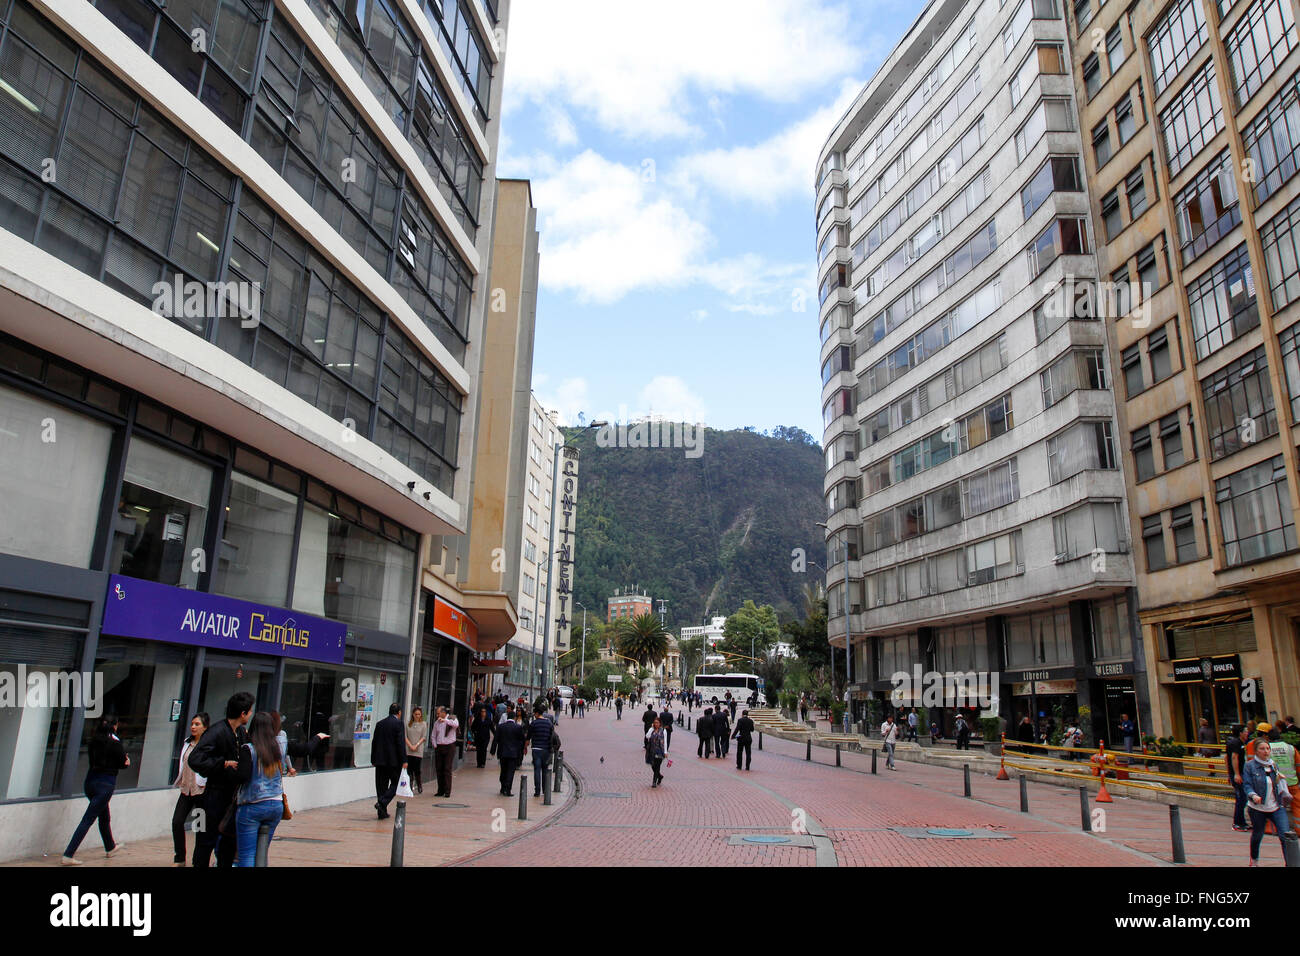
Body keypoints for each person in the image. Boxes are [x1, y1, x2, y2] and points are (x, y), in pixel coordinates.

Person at [189, 691, 254, 867]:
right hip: (210, 797)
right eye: (249, 711)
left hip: (230, 798)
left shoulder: (240, 732)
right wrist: (223, 763)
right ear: (243, 713)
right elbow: (195, 759)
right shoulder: (217, 731)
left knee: (228, 843)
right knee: (204, 841)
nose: (250, 714)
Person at [62, 715, 131, 865]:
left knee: (104, 817)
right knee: (88, 820)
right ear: (115, 726)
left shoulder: (93, 741)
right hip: (105, 785)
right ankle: (68, 854)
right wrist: (127, 762)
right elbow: (123, 763)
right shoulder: (115, 743)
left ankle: (110, 847)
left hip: (90, 782)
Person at [233, 711, 286, 867]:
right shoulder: (278, 748)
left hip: (252, 804)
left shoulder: (248, 749)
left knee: (247, 854)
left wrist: (230, 769)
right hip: (276, 804)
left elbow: (242, 776)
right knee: (261, 851)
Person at [1243, 739, 1294, 866]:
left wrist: (1280, 780)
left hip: (1276, 806)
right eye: (1262, 749)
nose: (1266, 751)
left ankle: (1290, 863)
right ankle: (1254, 860)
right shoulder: (1249, 766)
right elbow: (1247, 785)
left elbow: (1276, 784)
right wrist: (1253, 795)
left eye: (1267, 748)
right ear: (1256, 751)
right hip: (1258, 808)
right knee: (1257, 835)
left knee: (1285, 836)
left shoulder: (1273, 765)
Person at [170, 712, 209, 866]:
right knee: (177, 822)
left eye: (197, 724)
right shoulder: (187, 743)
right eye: (192, 724)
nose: (193, 727)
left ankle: (197, 860)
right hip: (186, 790)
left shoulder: (207, 747)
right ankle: (179, 857)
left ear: (205, 727)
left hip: (201, 791)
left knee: (200, 828)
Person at [371, 703, 407, 819]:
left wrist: (373, 759)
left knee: (381, 785)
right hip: (393, 761)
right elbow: (400, 743)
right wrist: (404, 760)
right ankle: (382, 803)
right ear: (399, 712)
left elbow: (374, 742)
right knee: (396, 783)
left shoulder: (380, 724)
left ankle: (381, 811)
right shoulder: (398, 724)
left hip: (380, 760)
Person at [1265, 726, 1299, 837]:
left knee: (1275, 806)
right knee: (1297, 806)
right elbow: (1298, 765)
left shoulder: (1266, 748)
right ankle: (1299, 830)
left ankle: (1274, 829)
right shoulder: (1290, 748)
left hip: (1275, 783)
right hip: (1291, 782)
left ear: (1268, 738)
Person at [430, 706, 460, 798]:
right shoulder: (436, 723)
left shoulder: (451, 718)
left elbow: (456, 725)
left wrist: (445, 721)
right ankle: (440, 790)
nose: (437, 715)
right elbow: (433, 735)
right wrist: (435, 745)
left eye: (438, 713)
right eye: (437, 713)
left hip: (449, 746)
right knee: (439, 769)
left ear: (443, 713)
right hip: (439, 746)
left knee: (447, 768)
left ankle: (447, 791)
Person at [526, 704, 555, 797]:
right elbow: (552, 735)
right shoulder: (549, 723)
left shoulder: (534, 723)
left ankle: (537, 791)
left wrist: (525, 747)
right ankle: (545, 790)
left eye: (535, 713)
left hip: (536, 749)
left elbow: (528, 737)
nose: (534, 715)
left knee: (537, 770)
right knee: (545, 770)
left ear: (537, 713)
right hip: (546, 749)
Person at [495, 707, 525, 796]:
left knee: (503, 770)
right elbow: (522, 740)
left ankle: (502, 786)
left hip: (502, 753)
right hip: (513, 753)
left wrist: (493, 750)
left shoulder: (501, 727)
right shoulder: (518, 727)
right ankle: (508, 789)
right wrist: (520, 751)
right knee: (510, 771)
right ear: (514, 718)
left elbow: (496, 739)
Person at [1226, 724, 1249, 831]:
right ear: (1240, 733)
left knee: (1242, 798)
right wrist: (1236, 774)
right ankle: (1237, 823)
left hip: (1236, 773)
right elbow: (1234, 757)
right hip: (1238, 773)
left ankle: (1241, 821)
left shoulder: (1234, 742)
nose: (1247, 732)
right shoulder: (1236, 743)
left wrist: (1229, 774)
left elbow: (1226, 758)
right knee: (1241, 798)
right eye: (1245, 731)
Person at [406, 707, 428, 795]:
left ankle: (419, 784)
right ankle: (410, 786)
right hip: (409, 749)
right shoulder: (408, 724)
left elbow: (423, 737)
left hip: (418, 749)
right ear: (413, 714)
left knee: (417, 769)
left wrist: (416, 745)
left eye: (419, 714)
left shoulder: (423, 724)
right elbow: (405, 736)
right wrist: (410, 745)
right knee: (409, 769)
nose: (417, 716)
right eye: (416, 714)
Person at [645, 717, 668, 788]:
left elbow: (665, 741)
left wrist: (665, 751)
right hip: (652, 750)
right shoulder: (651, 730)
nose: (656, 724)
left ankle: (654, 782)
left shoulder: (663, 731)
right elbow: (647, 736)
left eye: (657, 722)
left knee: (657, 766)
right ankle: (660, 776)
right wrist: (651, 729)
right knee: (653, 765)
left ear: (660, 723)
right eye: (655, 723)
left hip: (660, 751)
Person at [470, 705, 493, 769]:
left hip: (486, 738)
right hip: (478, 737)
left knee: (484, 750)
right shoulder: (477, 719)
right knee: (479, 750)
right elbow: (472, 727)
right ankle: (479, 763)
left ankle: (483, 763)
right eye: (482, 712)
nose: (483, 713)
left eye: (484, 712)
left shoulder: (488, 719)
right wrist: (475, 733)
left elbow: (492, 728)